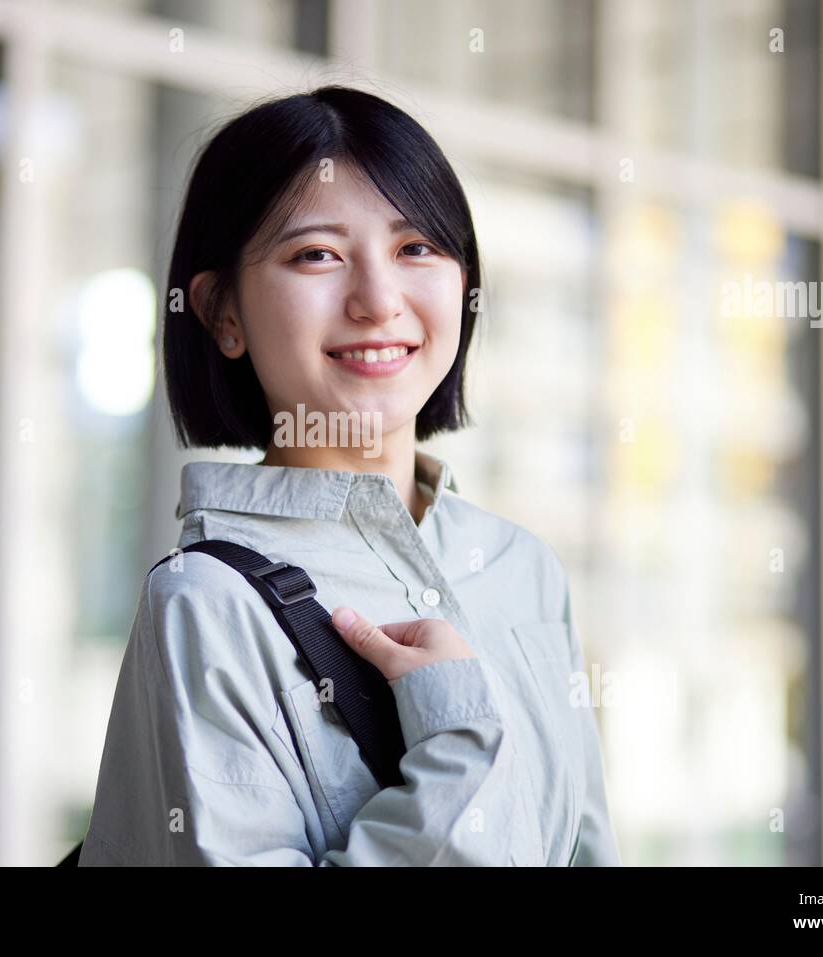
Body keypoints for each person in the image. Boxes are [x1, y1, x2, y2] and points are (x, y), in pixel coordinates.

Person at [78, 85, 620, 866]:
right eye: (317, 255)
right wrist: (454, 742)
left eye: (416, 248)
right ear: (222, 312)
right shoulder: (206, 606)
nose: (378, 300)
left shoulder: (522, 567)